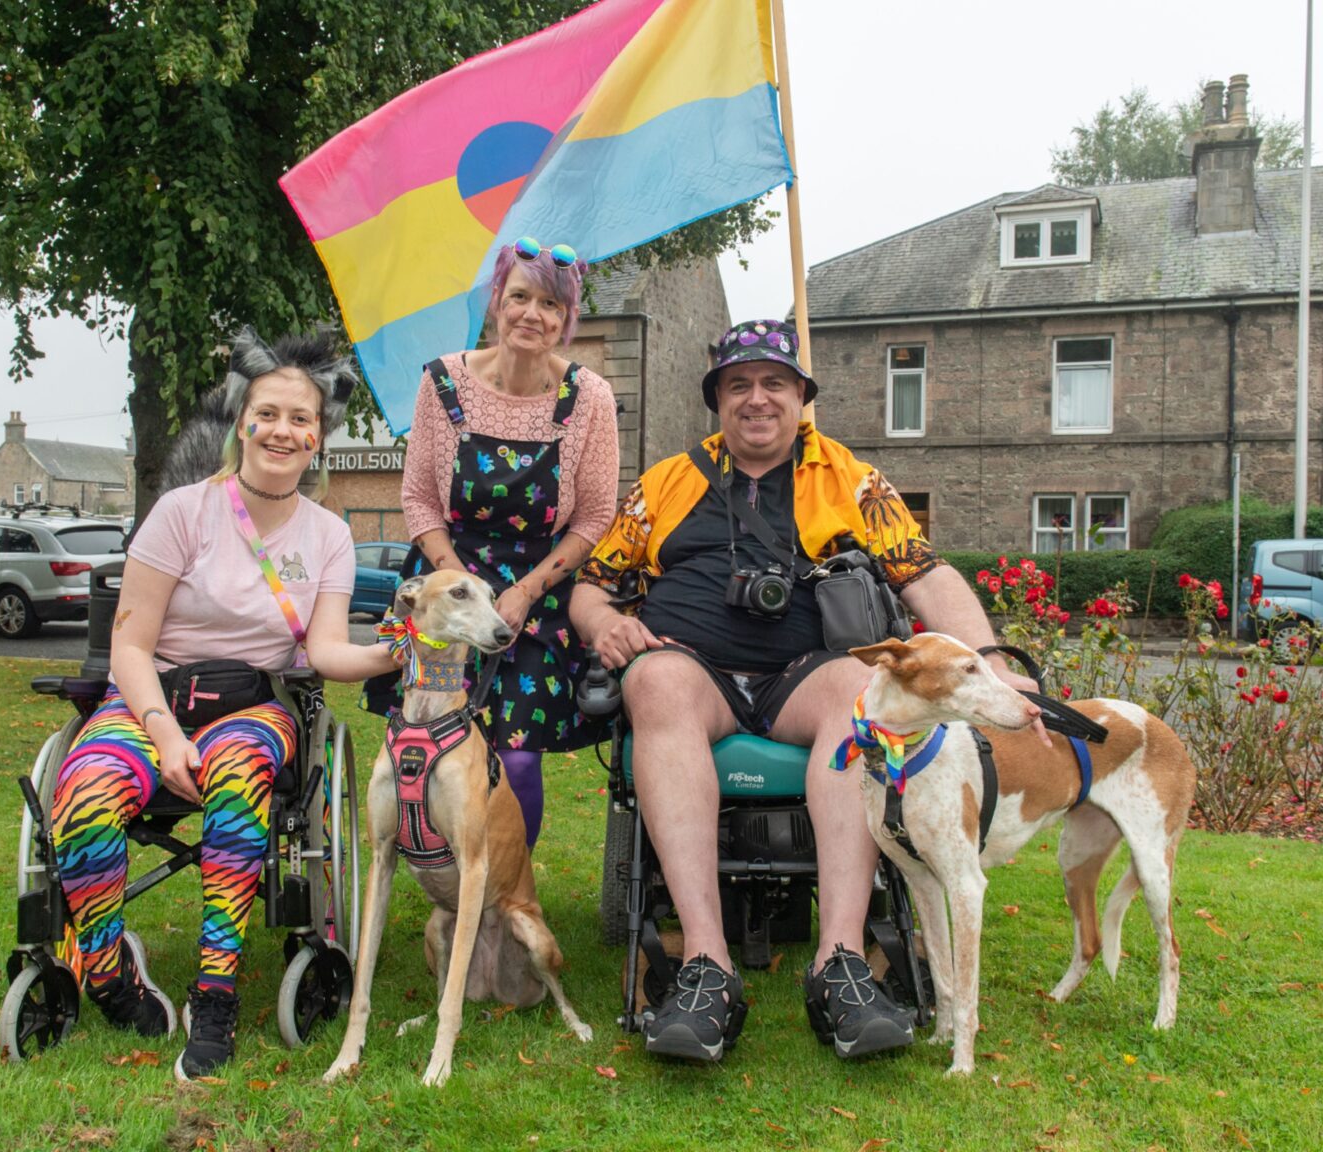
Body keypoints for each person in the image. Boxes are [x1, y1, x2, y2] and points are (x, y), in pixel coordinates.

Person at [570, 318, 1045, 1064]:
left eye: (774, 384)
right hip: (694, 669)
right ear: (718, 401)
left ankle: (841, 962)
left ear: (800, 396)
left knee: (865, 688)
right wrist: (604, 624)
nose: (756, 399)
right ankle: (705, 965)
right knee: (653, 682)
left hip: (808, 672)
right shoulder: (665, 482)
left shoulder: (850, 479)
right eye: (739, 386)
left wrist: (986, 656)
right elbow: (593, 587)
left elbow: (925, 573)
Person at [50, 328, 396, 1081]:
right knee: (83, 797)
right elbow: (130, 646)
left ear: (318, 437)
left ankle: (215, 995)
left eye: (301, 420)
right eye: (269, 413)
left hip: (254, 704)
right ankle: (109, 975)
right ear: (242, 420)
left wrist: (393, 651)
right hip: (154, 697)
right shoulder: (183, 511)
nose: (283, 430)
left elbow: (327, 651)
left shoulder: (330, 535)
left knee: (239, 787)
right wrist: (167, 737)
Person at [363, 238, 620, 848]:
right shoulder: (443, 383)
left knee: (519, 757)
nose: (533, 315)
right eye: (519, 298)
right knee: (433, 747)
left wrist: (526, 592)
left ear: (566, 319)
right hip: (448, 581)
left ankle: (508, 893)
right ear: (496, 305)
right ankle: (445, 884)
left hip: (538, 587)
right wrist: (462, 591)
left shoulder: (589, 399)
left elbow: (596, 515)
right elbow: (420, 499)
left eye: (550, 305)